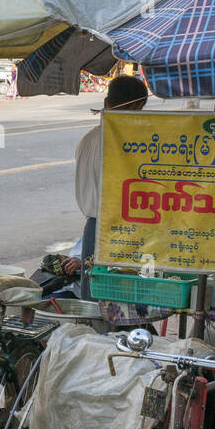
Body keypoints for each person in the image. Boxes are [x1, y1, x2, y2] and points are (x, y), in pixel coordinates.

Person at [73, 75, 149, 300]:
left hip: (93, 231)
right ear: (138, 106)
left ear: (106, 103)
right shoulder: (138, 144)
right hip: (126, 229)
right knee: (126, 303)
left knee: (94, 300)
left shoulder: (88, 140)